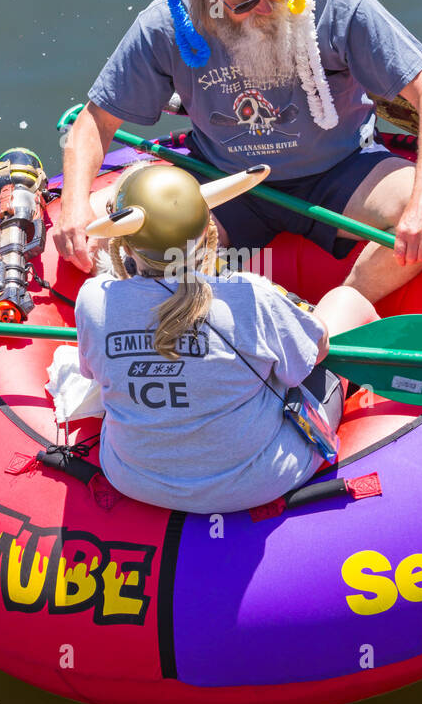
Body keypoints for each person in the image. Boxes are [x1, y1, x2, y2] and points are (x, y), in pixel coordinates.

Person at [55, 0, 422, 302]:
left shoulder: (335, 0)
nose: (267, 7)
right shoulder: (166, 25)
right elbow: (95, 122)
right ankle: (204, 313)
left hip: (342, 170)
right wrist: (73, 206)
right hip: (224, 178)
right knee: (102, 236)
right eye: (245, 2)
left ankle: (334, 315)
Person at [74, 161, 377, 513]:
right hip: (257, 480)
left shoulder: (94, 299)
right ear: (208, 228)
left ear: (124, 243)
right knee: (345, 302)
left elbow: (93, 373)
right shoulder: (251, 294)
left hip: (134, 477)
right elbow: (311, 358)